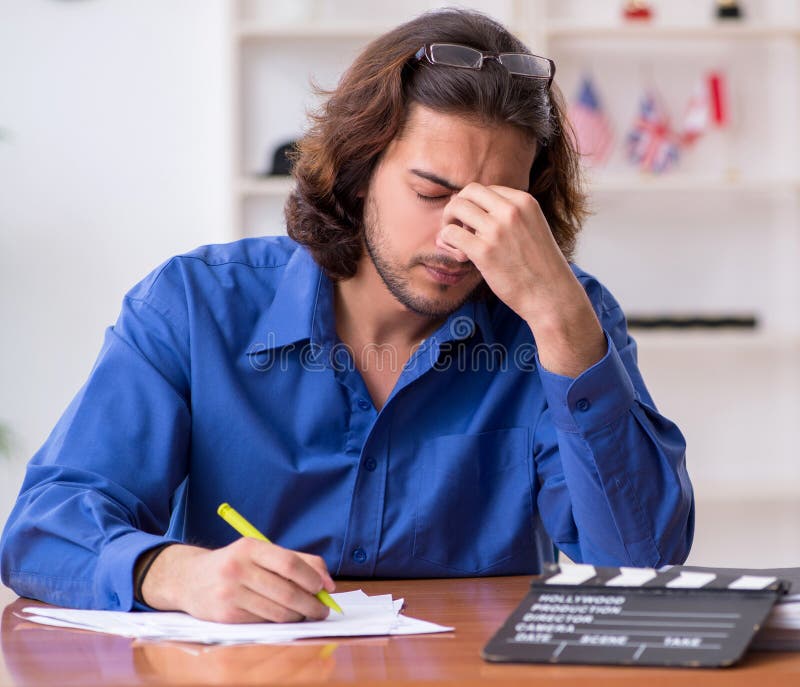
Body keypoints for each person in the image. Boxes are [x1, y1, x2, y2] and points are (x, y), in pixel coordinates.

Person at [0, 9, 694, 623]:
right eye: (432, 193)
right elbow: (42, 530)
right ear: (360, 174)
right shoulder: (194, 306)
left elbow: (641, 568)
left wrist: (561, 322)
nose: (460, 239)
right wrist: (173, 573)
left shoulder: (563, 321)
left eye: (498, 207)